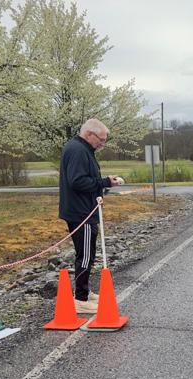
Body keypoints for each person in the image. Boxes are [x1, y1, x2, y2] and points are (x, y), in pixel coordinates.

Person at [58, 118, 119, 315]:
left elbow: (85, 179)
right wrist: (104, 182)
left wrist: (102, 185)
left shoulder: (84, 149)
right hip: (81, 212)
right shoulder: (77, 150)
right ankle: (81, 299)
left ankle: (85, 291)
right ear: (89, 134)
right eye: (101, 140)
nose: (103, 144)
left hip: (86, 209)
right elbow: (77, 181)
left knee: (88, 253)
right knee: (85, 255)